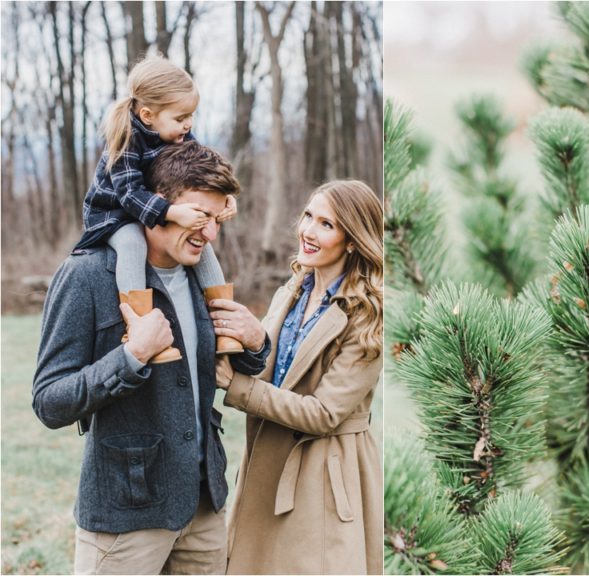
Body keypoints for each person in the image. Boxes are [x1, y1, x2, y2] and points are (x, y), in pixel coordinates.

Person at [33, 141, 270, 575]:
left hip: (205, 505)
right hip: (126, 515)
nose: (210, 234)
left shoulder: (201, 276)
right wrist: (132, 356)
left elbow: (226, 369)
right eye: (199, 216)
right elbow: (50, 401)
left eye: (216, 220)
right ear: (158, 204)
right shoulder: (86, 275)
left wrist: (256, 343)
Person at [213, 180, 384, 575]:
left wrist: (237, 386)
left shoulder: (368, 316)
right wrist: (243, 341)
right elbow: (270, 371)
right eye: (309, 216)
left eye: (326, 224)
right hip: (267, 462)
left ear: (352, 241)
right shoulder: (290, 292)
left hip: (323, 471)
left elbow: (324, 414)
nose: (308, 230)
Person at [75, 55, 242, 363]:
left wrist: (225, 197)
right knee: (132, 244)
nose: (188, 124)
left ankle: (226, 328)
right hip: (113, 214)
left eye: (191, 116)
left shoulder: (176, 133)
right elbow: (129, 194)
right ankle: (140, 329)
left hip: (152, 204)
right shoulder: (126, 139)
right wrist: (174, 213)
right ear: (148, 115)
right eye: (181, 118)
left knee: (204, 246)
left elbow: (204, 172)